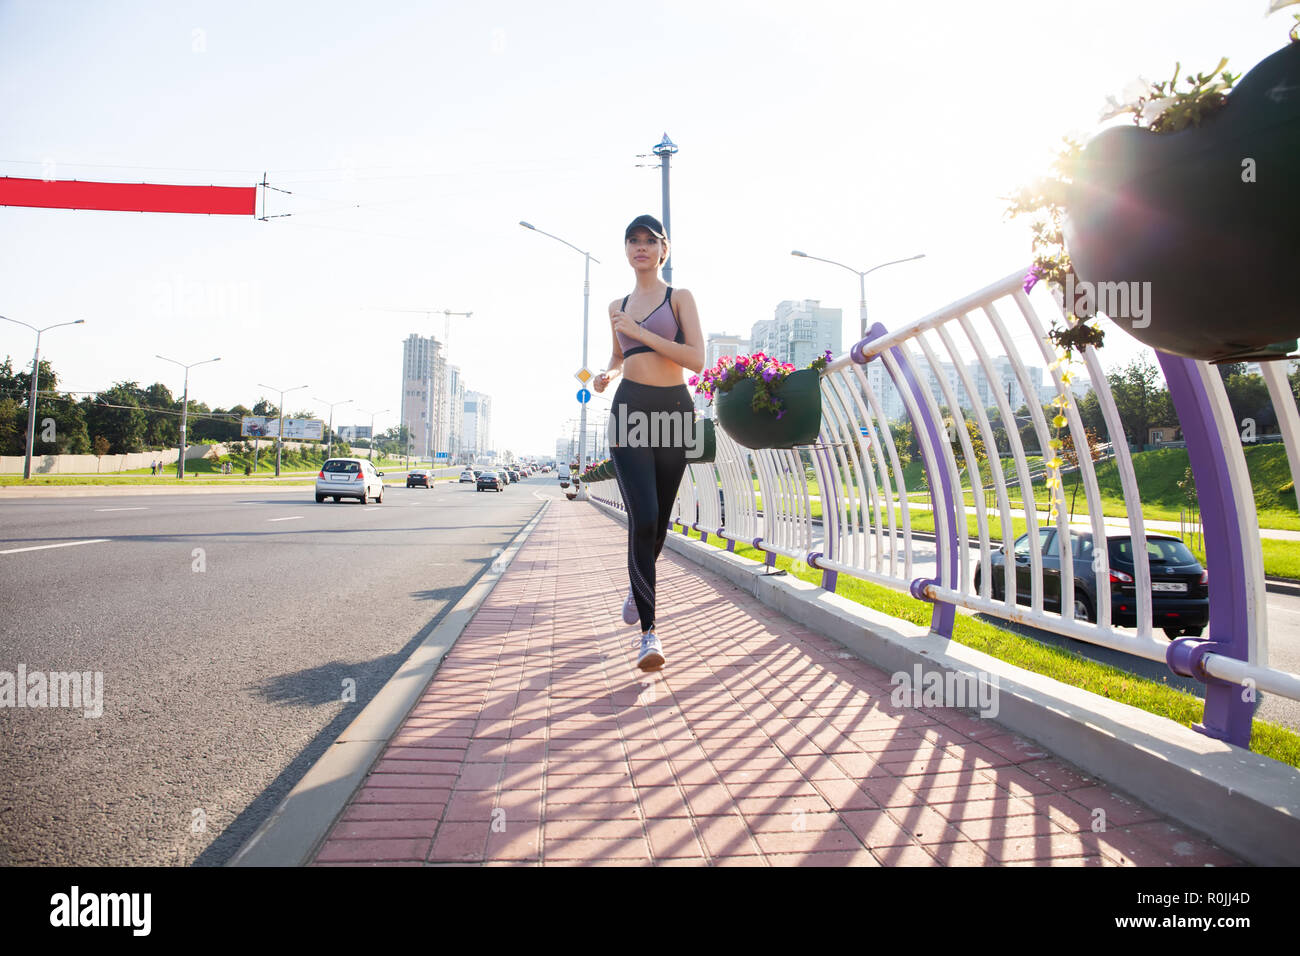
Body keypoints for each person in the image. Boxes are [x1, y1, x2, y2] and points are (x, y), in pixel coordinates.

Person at [592, 214, 704, 671]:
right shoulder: (615, 304)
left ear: (664, 249)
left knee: (659, 524)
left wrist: (640, 333)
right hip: (630, 409)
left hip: (675, 410)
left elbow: (697, 360)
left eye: (649, 241)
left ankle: (638, 588)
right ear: (625, 250)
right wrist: (608, 373)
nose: (641, 247)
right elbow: (620, 355)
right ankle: (649, 635)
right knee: (643, 518)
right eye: (632, 241)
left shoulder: (680, 298)